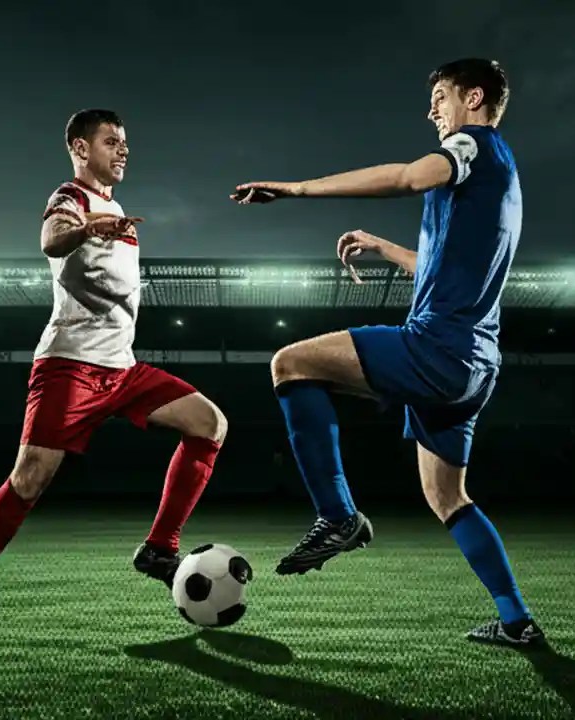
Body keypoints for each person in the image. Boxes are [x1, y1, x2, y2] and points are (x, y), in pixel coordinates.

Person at [231, 59, 544, 647]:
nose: (431, 110)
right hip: (476, 365)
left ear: (473, 98)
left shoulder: (472, 145)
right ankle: (516, 621)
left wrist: (295, 188)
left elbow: (406, 177)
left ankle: (338, 515)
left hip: (437, 348)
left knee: (290, 363)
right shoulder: (501, 178)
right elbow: (442, 266)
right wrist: (383, 245)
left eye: (440, 97)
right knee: (448, 496)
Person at [0, 109, 229, 635]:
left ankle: (159, 548)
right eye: (112, 141)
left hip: (122, 369)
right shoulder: (70, 197)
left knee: (209, 423)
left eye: (126, 143)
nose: (123, 150)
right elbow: (52, 238)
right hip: (70, 367)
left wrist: (106, 224)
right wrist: (90, 226)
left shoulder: (118, 208)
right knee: (28, 480)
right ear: (80, 147)